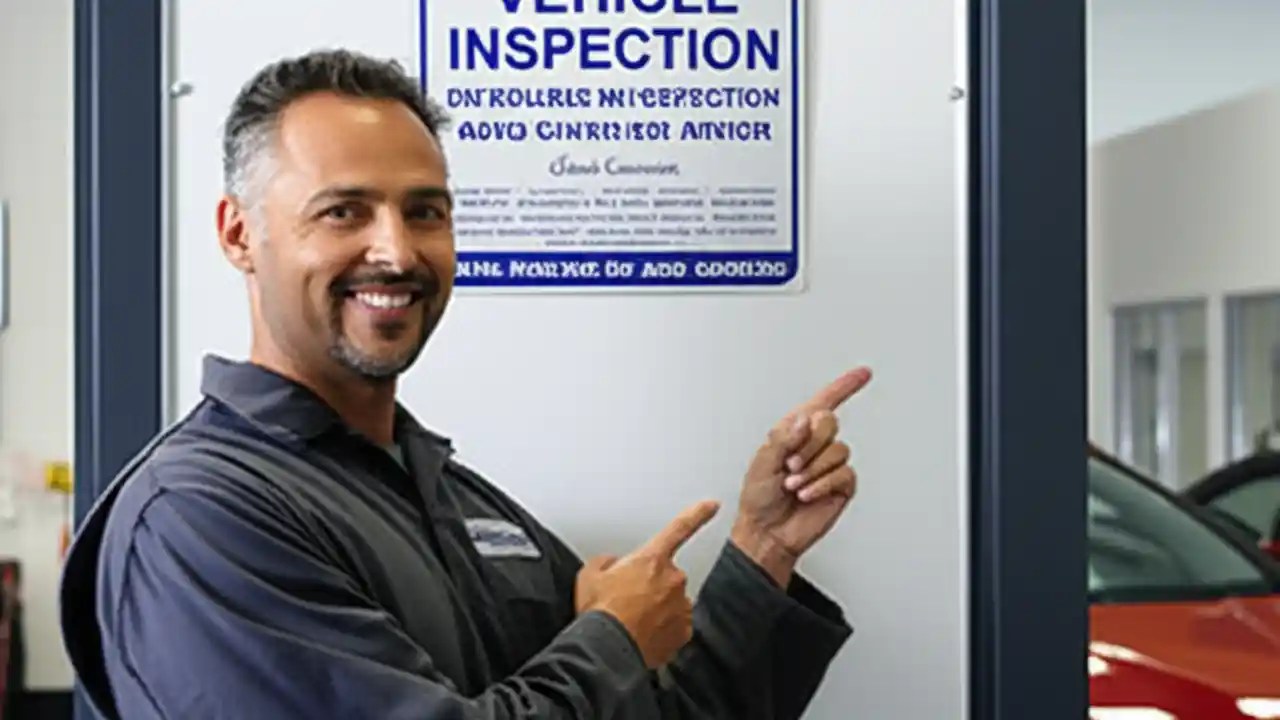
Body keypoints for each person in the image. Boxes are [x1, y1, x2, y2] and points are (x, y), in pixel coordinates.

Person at [59, 49, 872, 719]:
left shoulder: (456, 499)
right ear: (240, 233)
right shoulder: (200, 515)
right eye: (344, 212)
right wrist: (615, 637)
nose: (396, 252)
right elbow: (603, 670)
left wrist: (763, 549)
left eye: (425, 212)